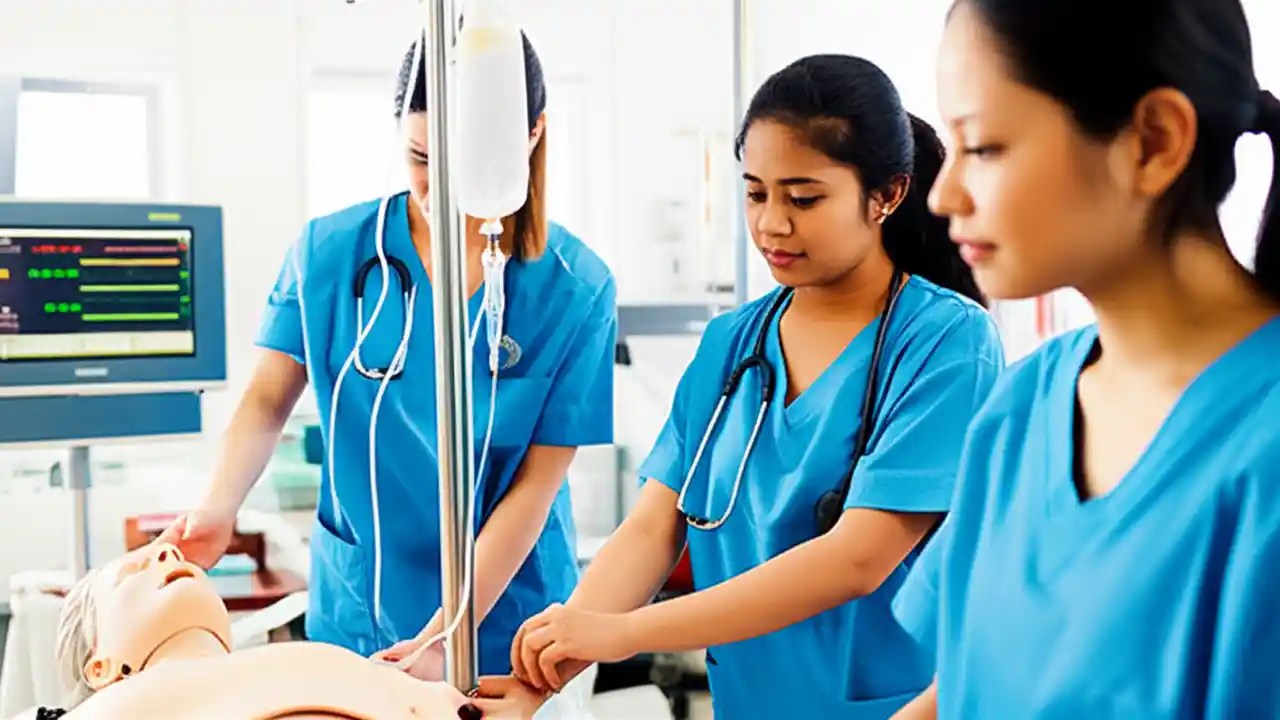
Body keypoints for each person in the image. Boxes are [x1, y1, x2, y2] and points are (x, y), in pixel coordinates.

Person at [510, 54, 1005, 718]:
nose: (772, 223)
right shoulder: (731, 345)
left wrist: (623, 634)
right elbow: (656, 528)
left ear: (887, 195)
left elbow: (857, 558)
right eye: (755, 192)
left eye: (803, 197)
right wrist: (553, 662)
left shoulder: (946, 342)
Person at [159, 29, 617, 682]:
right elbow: (266, 401)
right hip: (361, 612)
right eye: (420, 156)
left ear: (533, 133)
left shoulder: (577, 287)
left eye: (465, 163)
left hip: (509, 625)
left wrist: (446, 633)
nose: (439, 188)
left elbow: (535, 487)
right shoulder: (330, 253)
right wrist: (217, 506)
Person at [888, 0, 1280, 718]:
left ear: (1152, 142)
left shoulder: (1262, 453)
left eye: (982, 147)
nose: (944, 195)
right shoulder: (1024, 403)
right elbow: (967, 690)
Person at [48, 541, 549, 719]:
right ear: (103, 666)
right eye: (135, 573)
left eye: (170, 554)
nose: (168, 553)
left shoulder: (342, 666)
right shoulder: (113, 707)